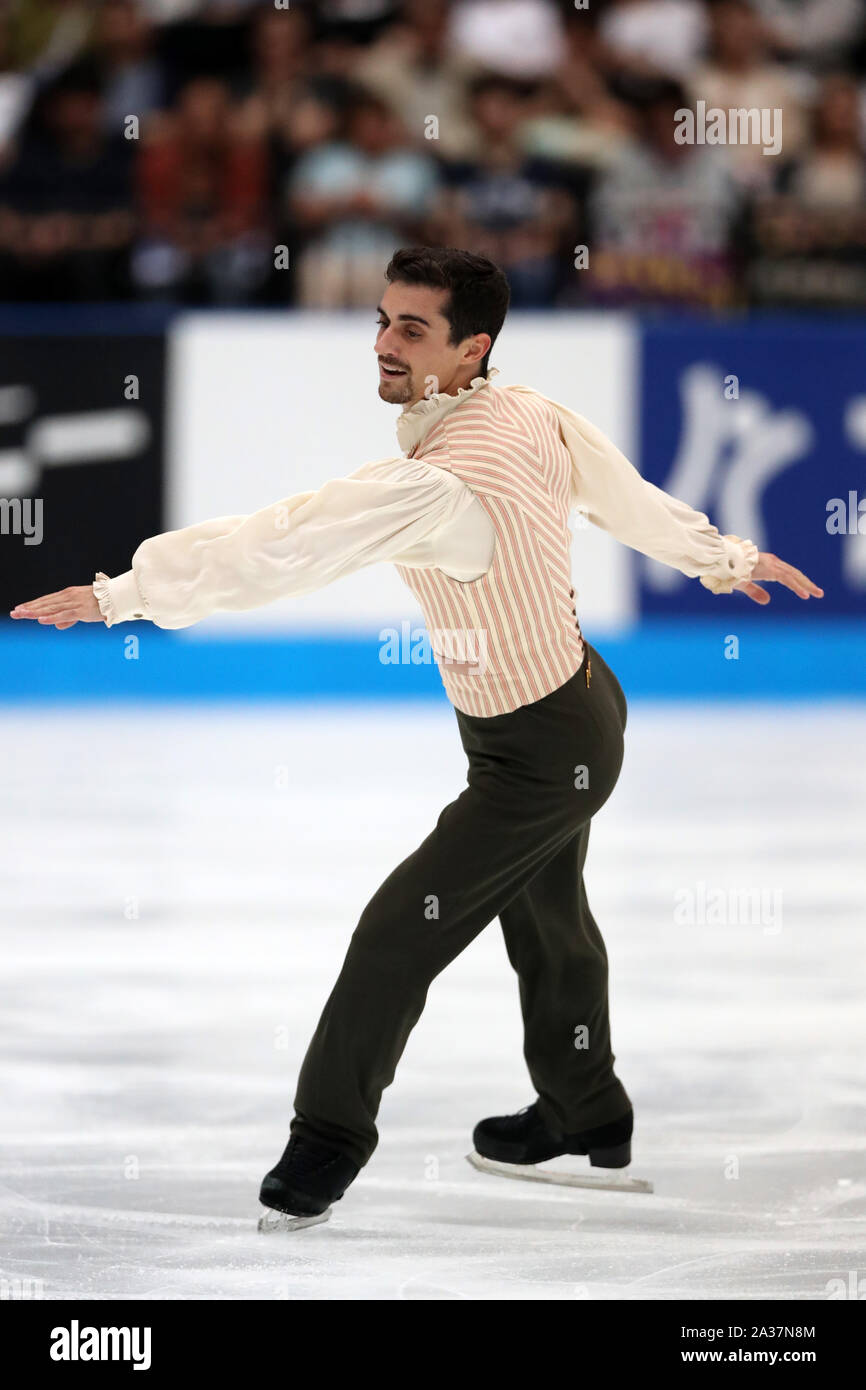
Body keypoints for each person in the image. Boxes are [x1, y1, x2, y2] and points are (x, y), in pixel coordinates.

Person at [11, 246, 823, 1224]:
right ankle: (587, 1111)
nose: (382, 343)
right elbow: (621, 496)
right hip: (573, 706)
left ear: (470, 347)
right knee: (548, 919)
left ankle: (325, 1142)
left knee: (397, 933)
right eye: (383, 319)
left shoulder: (438, 483)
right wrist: (723, 558)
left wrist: (121, 594)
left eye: (410, 328)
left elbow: (282, 541)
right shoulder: (524, 409)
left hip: (539, 750)